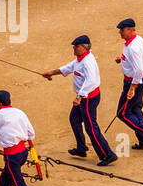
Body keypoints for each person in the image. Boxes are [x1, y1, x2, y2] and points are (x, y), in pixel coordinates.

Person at [42, 35, 116, 166]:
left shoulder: (88, 62)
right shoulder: (80, 59)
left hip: (88, 99)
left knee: (91, 128)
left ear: (84, 47)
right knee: (74, 119)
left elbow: (91, 81)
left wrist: (79, 97)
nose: (74, 49)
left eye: (76, 46)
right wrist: (51, 73)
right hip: (84, 98)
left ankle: (107, 154)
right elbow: (68, 68)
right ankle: (82, 149)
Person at [114, 18, 143, 149]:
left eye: (122, 30)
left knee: (122, 113)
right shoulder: (137, 40)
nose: (120, 32)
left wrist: (132, 87)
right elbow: (136, 62)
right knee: (136, 108)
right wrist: (122, 60)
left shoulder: (133, 48)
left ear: (131, 29)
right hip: (140, 79)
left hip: (134, 82)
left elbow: (138, 69)